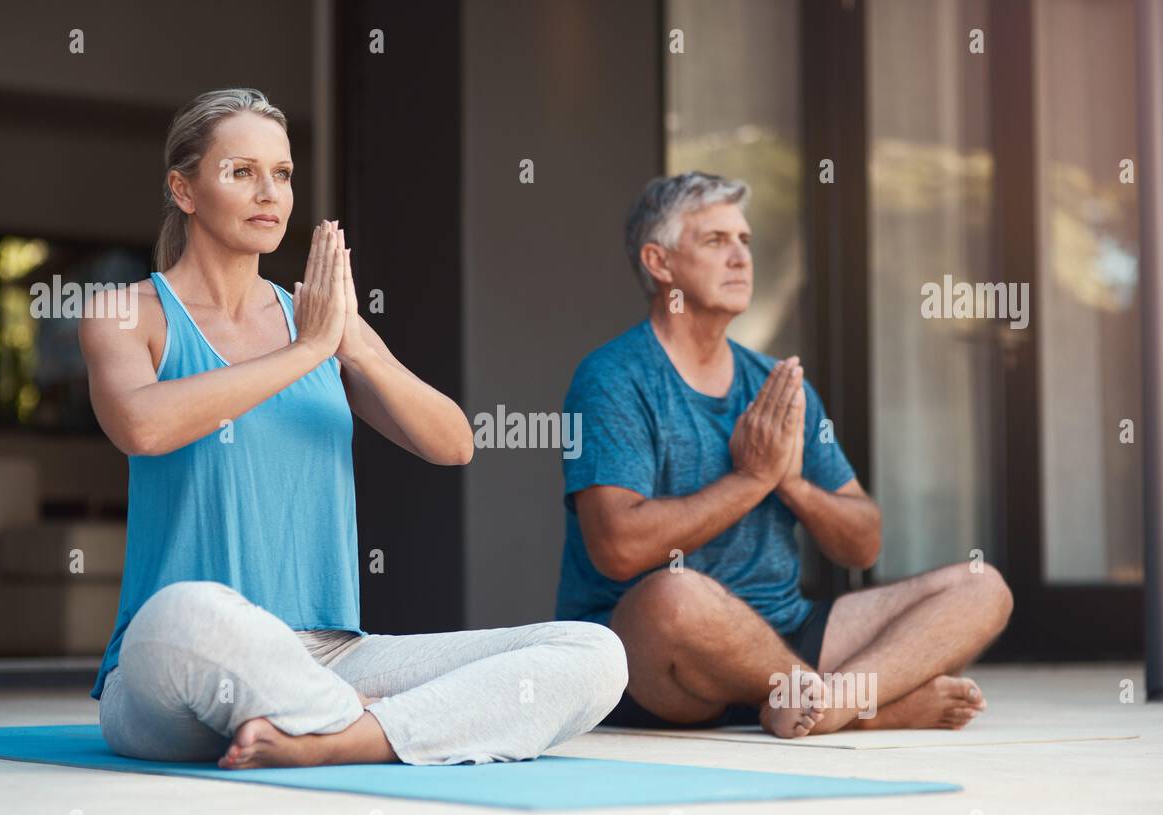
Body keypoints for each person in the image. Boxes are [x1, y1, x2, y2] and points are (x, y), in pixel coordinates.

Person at [80, 88, 626, 769]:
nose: (269, 192)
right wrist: (305, 353)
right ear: (183, 189)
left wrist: (352, 343)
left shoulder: (319, 319)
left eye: (281, 174)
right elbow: (141, 425)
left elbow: (453, 442)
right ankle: (389, 728)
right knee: (188, 613)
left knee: (594, 653)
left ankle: (343, 737)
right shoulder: (128, 312)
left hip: (335, 655)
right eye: (240, 171)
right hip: (182, 667)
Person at [555, 171, 1013, 739]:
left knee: (981, 584)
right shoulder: (613, 378)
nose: (741, 258)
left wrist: (791, 484)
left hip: (785, 633)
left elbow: (862, 542)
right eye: (715, 241)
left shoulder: (776, 384)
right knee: (675, 595)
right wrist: (750, 481)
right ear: (660, 263)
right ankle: (868, 706)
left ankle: (829, 702)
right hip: (658, 658)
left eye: (744, 241)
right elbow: (619, 549)